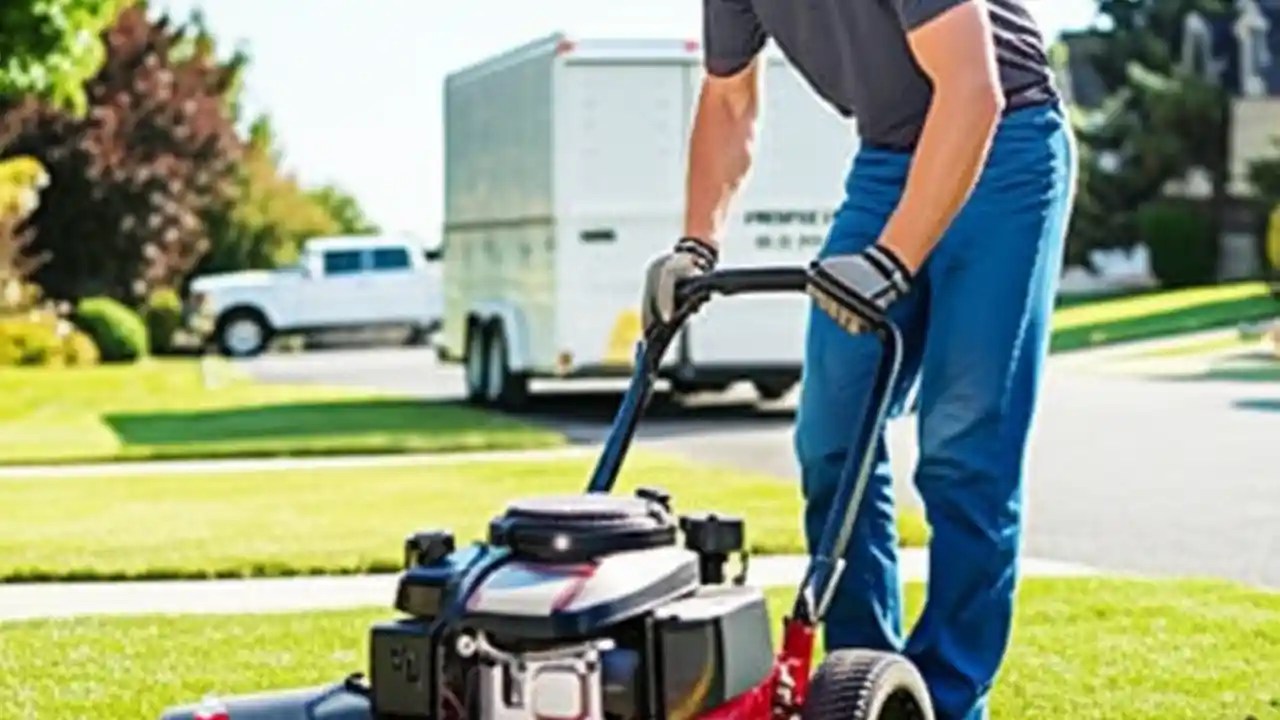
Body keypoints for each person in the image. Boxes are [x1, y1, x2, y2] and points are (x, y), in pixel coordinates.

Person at [641, 1, 1077, 718]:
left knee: (965, 446)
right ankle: (862, 684)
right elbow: (728, 97)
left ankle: (948, 696)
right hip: (886, 160)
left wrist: (892, 257)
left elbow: (973, 89)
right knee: (830, 439)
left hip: (1007, 147)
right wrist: (696, 244)